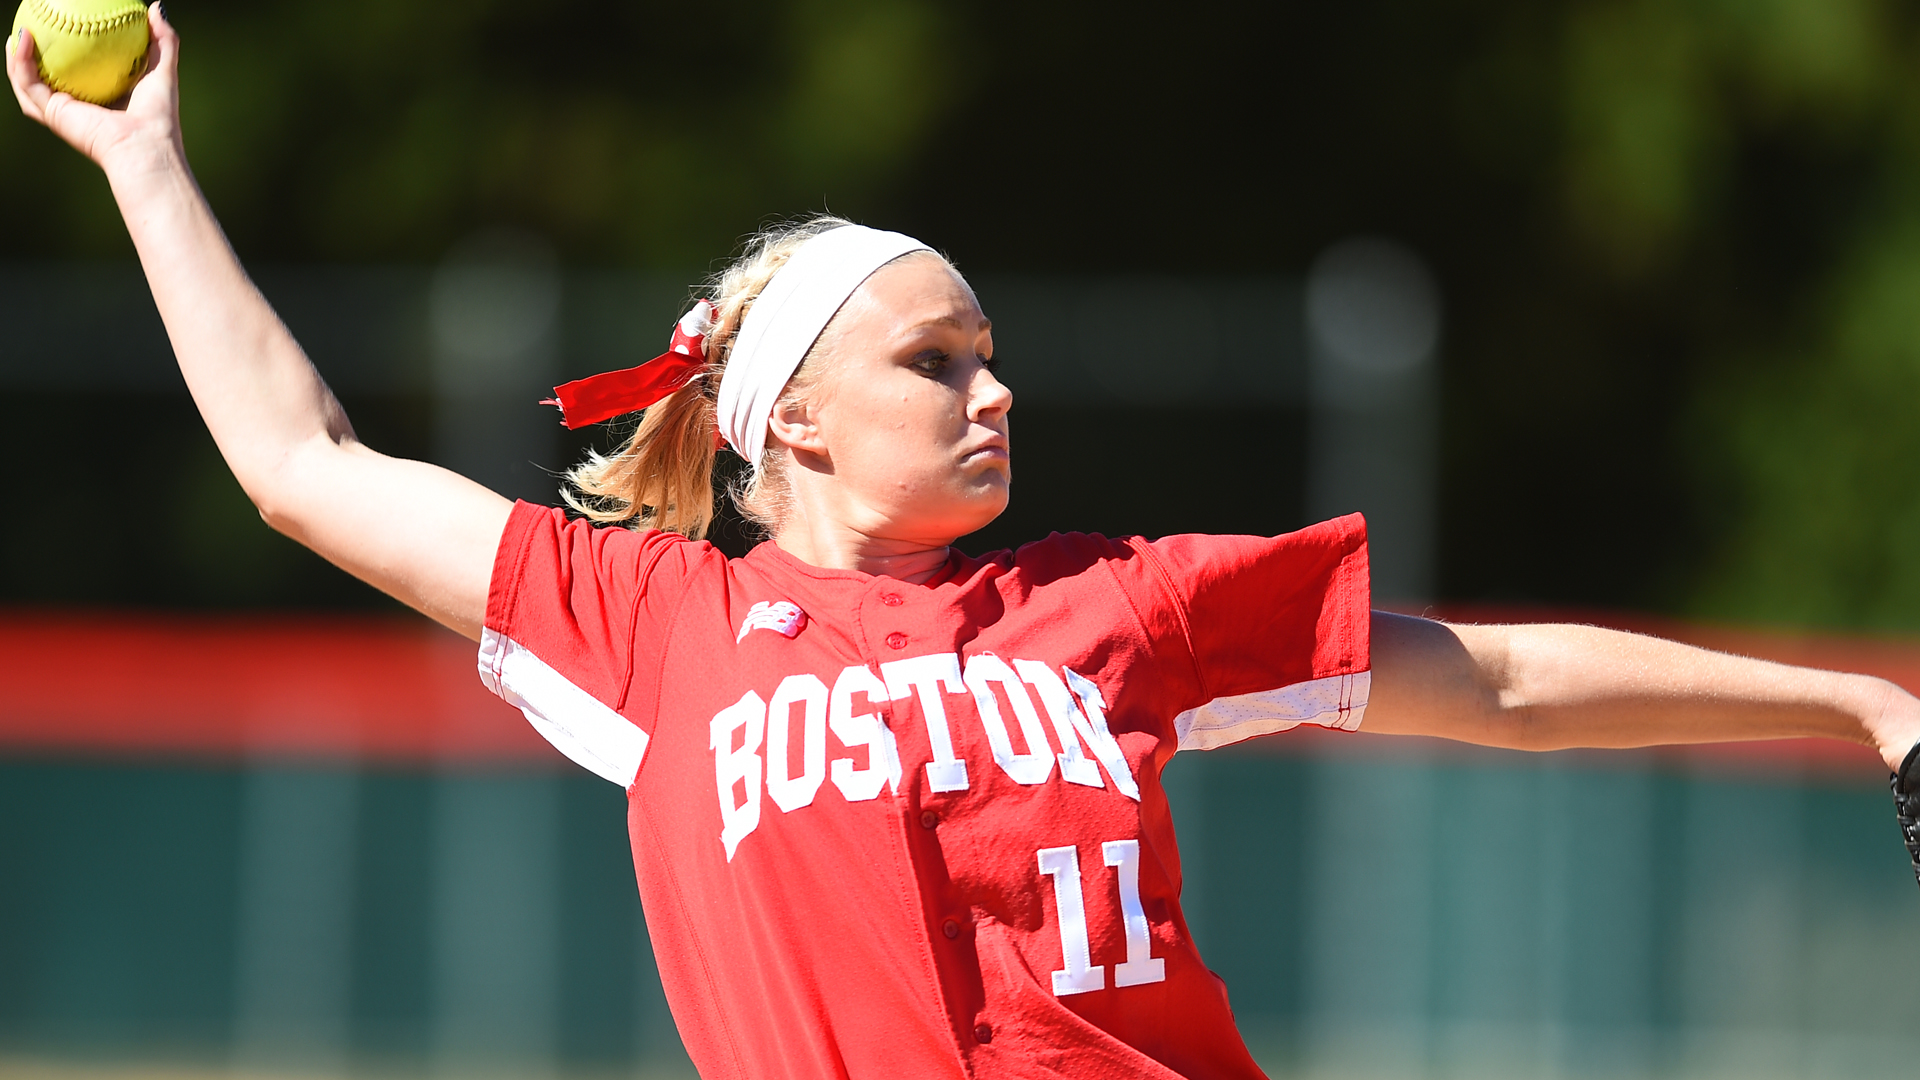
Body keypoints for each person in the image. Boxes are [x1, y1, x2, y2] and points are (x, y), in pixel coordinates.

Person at [12, 11, 1920, 1079]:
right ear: (795, 421)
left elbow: (1492, 678)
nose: (992, 391)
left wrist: (1857, 703)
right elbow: (296, 458)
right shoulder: (658, 621)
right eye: (939, 360)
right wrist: (148, 163)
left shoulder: (1121, 601)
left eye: (993, 356)